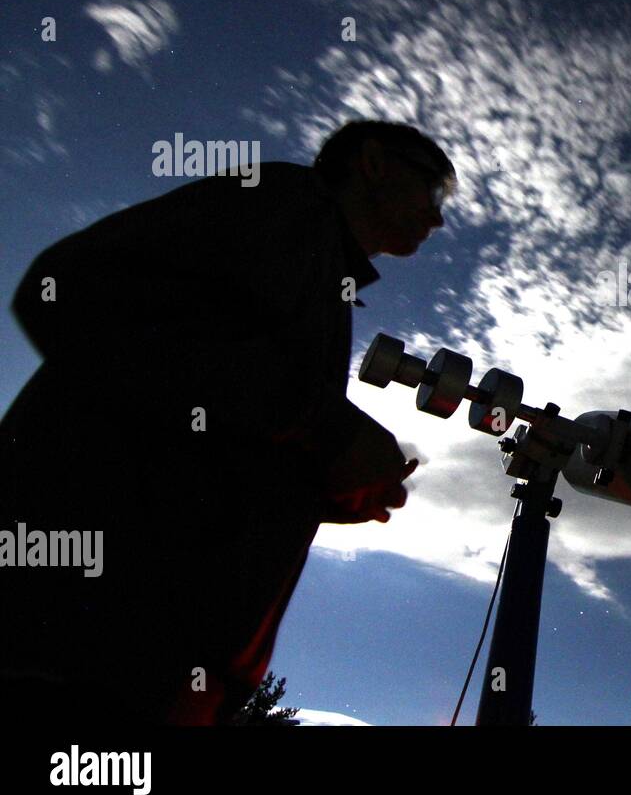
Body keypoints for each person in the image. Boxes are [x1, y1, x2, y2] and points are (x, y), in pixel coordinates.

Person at [0, 120, 455, 723]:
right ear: (373, 163)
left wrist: (321, 481)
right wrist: (329, 430)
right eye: (431, 190)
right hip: (82, 639)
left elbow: (210, 414)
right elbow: (69, 291)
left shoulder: (316, 260)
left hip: (141, 655)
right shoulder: (281, 206)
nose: (438, 217)